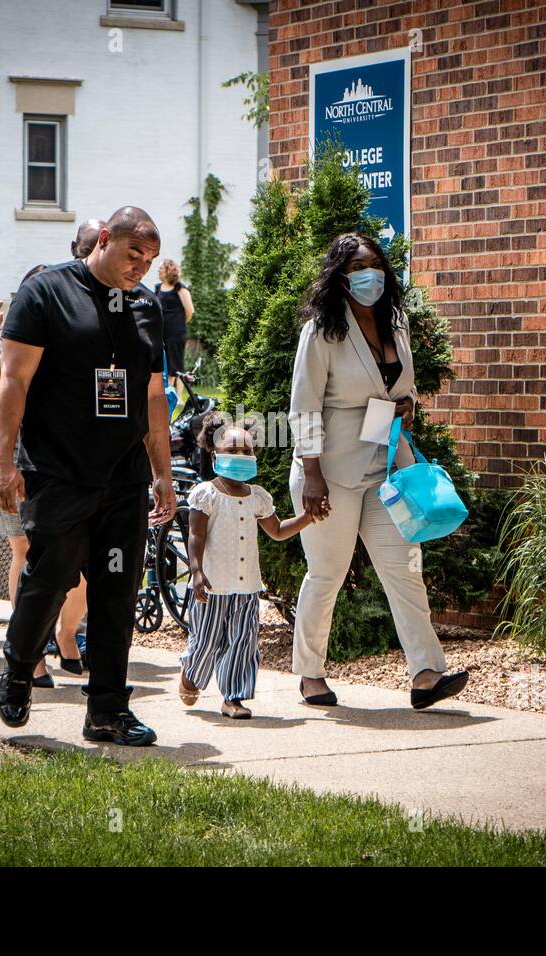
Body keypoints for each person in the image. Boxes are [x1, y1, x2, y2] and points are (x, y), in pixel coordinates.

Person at [0, 205, 176, 745]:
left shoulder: (146, 307)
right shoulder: (46, 293)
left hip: (123, 475)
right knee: (50, 578)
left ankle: (107, 709)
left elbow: (151, 395)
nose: (141, 266)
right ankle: (20, 670)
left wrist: (161, 473)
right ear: (101, 241)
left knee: (117, 591)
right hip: (57, 470)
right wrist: (4, 463)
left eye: (150, 258)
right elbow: (13, 384)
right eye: (133, 253)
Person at [288, 233, 469, 710]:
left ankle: (426, 672)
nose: (372, 274)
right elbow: (303, 408)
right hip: (329, 470)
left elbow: (400, 387)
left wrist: (408, 404)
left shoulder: (397, 321)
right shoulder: (323, 331)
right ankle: (310, 673)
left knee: (406, 569)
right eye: (359, 267)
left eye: (377, 264)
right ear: (341, 278)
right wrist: (311, 473)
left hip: (386, 466)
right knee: (326, 574)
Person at [0, 263, 86, 686]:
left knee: (78, 556)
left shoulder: (77, 330)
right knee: (27, 550)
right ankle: (31, 652)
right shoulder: (11, 335)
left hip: (68, 453)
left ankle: (67, 634)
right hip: (15, 451)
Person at [179, 414, 315, 719]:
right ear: (215, 455)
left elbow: (277, 531)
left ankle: (233, 697)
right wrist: (197, 572)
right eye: (234, 450)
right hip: (212, 586)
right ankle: (191, 671)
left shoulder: (258, 497)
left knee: (243, 642)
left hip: (247, 586)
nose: (241, 456)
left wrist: (307, 518)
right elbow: (195, 535)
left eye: (247, 451)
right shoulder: (206, 494)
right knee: (207, 642)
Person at [154, 259, 193, 393]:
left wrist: (179, 324)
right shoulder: (157, 288)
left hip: (176, 333)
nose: (158, 270)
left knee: (176, 365)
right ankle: (165, 392)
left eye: (161, 268)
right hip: (161, 333)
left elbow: (190, 310)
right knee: (163, 365)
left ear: (168, 270)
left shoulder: (180, 288)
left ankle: (177, 396)